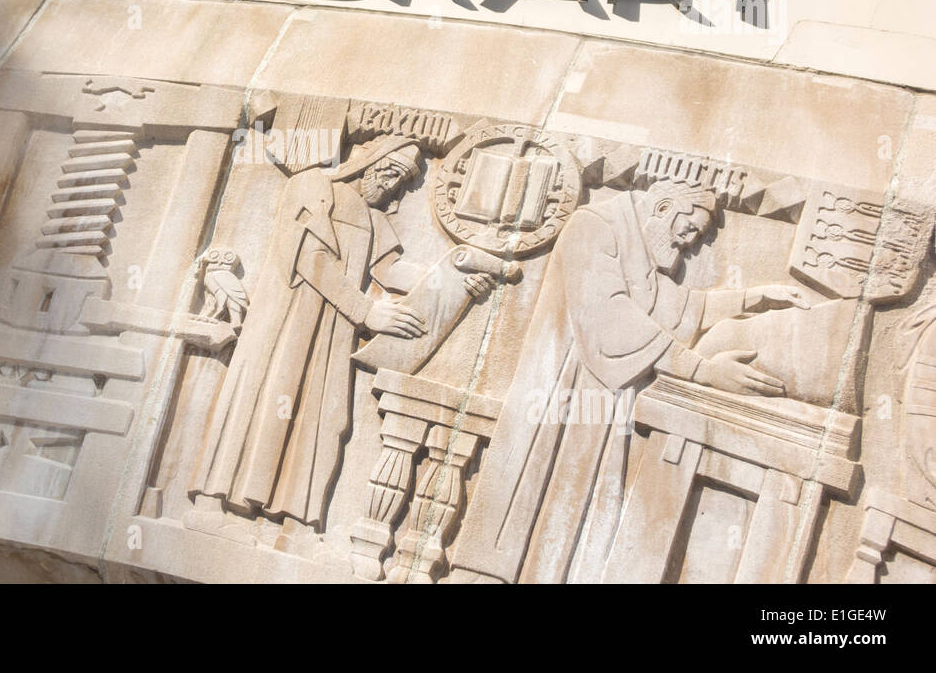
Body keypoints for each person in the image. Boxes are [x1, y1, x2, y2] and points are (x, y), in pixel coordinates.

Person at [455, 178, 808, 583]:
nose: (687, 245)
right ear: (662, 210)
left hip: (602, 400)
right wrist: (704, 371)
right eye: (687, 231)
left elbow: (669, 303)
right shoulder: (595, 225)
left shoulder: (636, 239)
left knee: (583, 510)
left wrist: (752, 299)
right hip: (562, 395)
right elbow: (612, 319)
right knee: (533, 503)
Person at [192, 135, 470, 532]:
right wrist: (366, 310)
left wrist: (457, 278)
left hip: (331, 335)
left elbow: (391, 272)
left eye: (403, 180)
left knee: (323, 414)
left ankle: (293, 518)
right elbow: (309, 256)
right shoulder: (312, 187)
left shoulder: (373, 217)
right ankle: (213, 502)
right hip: (285, 324)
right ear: (369, 158)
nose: (393, 184)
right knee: (260, 399)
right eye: (391, 171)